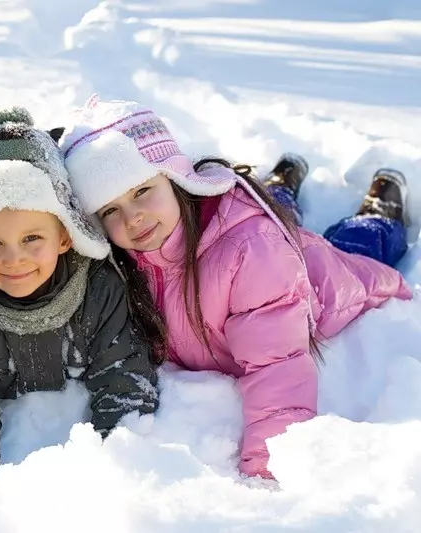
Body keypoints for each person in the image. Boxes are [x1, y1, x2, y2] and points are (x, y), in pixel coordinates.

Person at [59, 95, 412, 479]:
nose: (133, 217)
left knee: (357, 243)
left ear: (175, 178)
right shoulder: (123, 261)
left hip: (320, 276)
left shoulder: (253, 255)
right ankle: (280, 186)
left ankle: (380, 211)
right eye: (109, 209)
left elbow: (277, 368)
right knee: (276, 210)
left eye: (141, 191)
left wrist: (268, 470)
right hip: (256, 241)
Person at [0, 106, 160, 484]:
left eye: (32, 238)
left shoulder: (98, 289)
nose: (14, 259)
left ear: (65, 236)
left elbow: (124, 378)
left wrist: (119, 469)